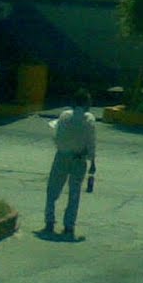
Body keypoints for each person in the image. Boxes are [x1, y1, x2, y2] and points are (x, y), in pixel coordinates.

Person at [43, 87, 97, 239]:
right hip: (79, 159)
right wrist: (92, 161)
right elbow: (91, 142)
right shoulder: (90, 119)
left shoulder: (64, 115)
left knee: (53, 189)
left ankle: (49, 221)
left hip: (62, 156)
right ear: (86, 103)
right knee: (74, 193)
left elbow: (56, 135)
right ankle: (69, 225)